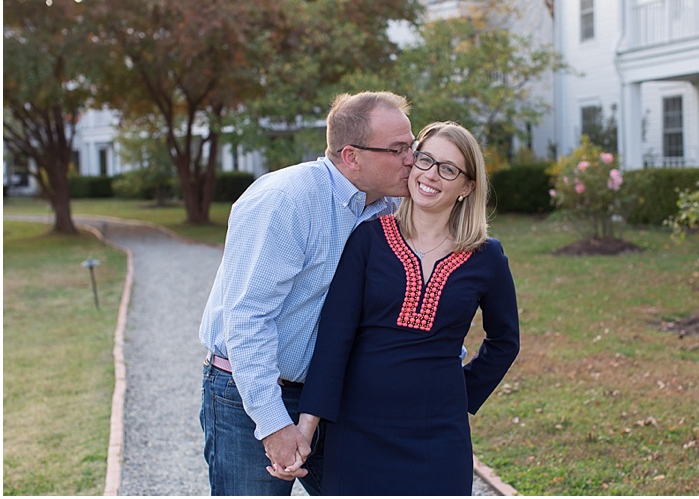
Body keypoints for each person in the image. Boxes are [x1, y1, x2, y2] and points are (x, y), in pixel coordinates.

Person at [198, 91, 417, 496]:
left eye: (413, 144)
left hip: (331, 396)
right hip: (249, 393)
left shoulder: (389, 211)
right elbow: (248, 317)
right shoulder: (286, 200)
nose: (412, 159)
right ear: (352, 156)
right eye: (399, 149)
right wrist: (273, 421)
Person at [293, 121, 521, 495]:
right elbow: (335, 338)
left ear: (467, 187)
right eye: (425, 159)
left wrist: (460, 392)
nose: (431, 175)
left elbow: (504, 341)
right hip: (358, 427)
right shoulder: (369, 238)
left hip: (438, 433)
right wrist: (307, 426)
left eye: (448, 169)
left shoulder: (486, 256)